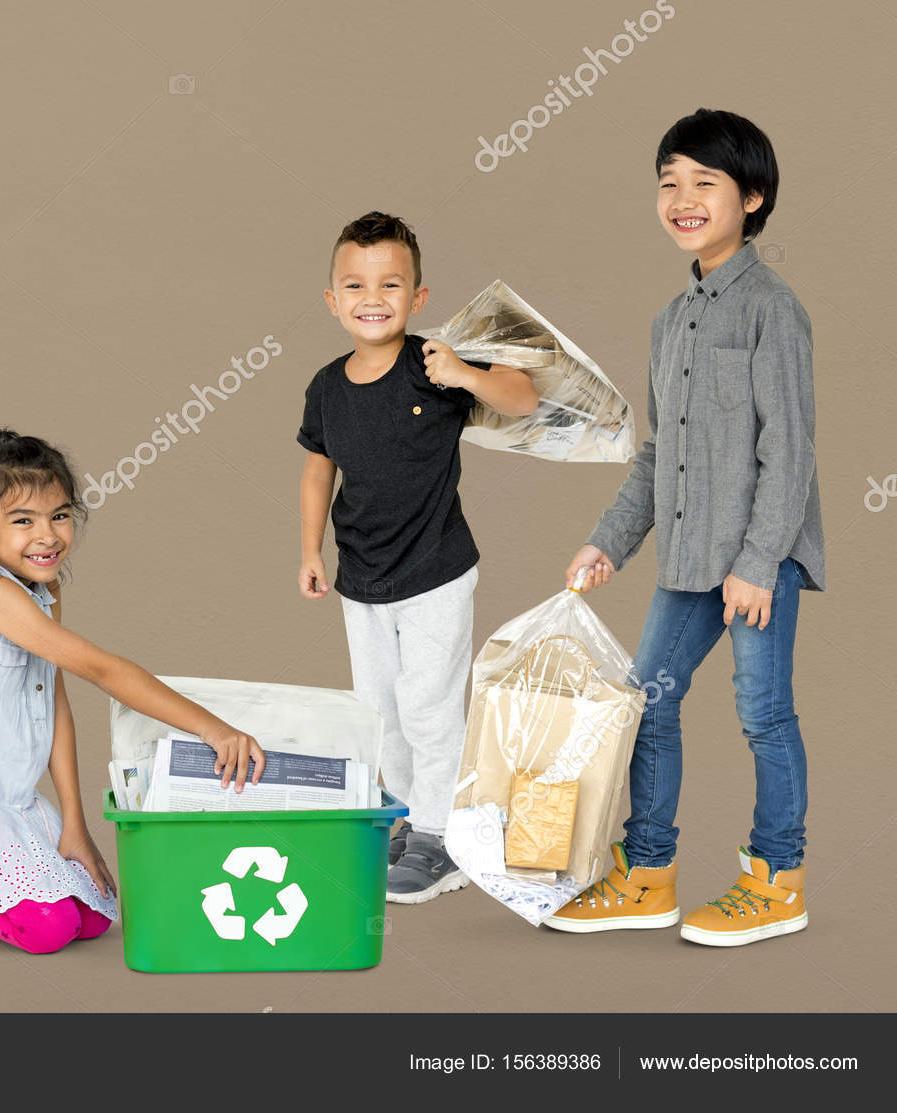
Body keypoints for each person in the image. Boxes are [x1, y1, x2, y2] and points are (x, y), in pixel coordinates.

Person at [548, 109, 823, 947]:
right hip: (687, 558)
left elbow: (792, 450)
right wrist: (608, 540)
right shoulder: (674, 321)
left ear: (753, 196)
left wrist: (757, 560)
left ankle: (776, 881)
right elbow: (656, 453)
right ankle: (648, 874)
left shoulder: (772, 310)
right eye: (670, 182)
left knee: (762, 714)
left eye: (705, 182)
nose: (683, 198)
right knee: (645, 702)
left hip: (754, 560)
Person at [0, 427, 265, 953]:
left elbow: (54, 700)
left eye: (60, 515)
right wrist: (212, 727)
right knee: (49, 930)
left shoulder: (43, 588)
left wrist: (74, 825)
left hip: (9, 797)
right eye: (22, 521)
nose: (47, 536)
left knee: (93, 918)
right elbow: (104, 670)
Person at [297, 212, 539, 904]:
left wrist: (464, 371)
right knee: (379, 710)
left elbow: (521, 399)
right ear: (333, 300)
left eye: (390, 284)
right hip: (362, 579)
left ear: (418, 297)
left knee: (430, 706)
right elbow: (319, 470)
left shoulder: (432, 363)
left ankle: (442, 836)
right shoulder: (326, 387)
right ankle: (401, 820)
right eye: (355, 284)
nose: (373, 297)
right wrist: (309, 548)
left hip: (435, 571)